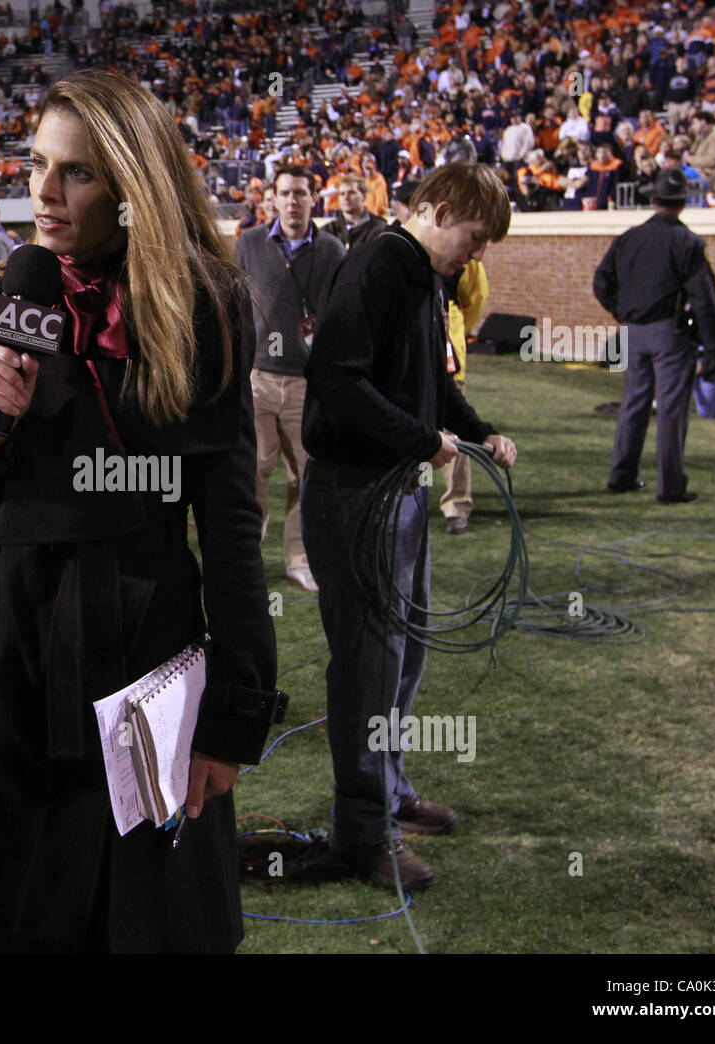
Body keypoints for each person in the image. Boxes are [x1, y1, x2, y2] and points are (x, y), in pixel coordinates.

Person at [0, 69, 282, 953]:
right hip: (4, 647)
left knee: (151, 923)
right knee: (1, 918)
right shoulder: (1, 291)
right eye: (36, 163)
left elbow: (233, 525)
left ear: (131, 184)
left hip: (142, 644)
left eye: (75, 173)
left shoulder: (205, 301)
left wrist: (235, 718)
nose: (43, 193)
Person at [301, 162, 517, 892]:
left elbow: (431, 382)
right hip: (356, 495)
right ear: (439, 207)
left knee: (401, 654)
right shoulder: (381, 263)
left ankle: (387, 794)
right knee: (368, 665)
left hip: (393, 492)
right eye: (476, 235)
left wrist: (479, 433)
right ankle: (361, 831)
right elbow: (334, 374)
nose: (478, 253)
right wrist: (418, 439)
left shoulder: (423, 275)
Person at [235, 164, 346, 592]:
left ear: (313, 198)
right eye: (286, 193)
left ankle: (299, 557)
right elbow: (234, 304)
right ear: (274, 199)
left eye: (301, 193)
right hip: (259, 377)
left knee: (305, 474)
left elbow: (339, 315)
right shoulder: (247, 244)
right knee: (257, 468)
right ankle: (248, 555)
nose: (293, 201)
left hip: (306, 383)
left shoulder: (333, 249)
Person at [596, 167, 715, 504]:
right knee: (672, 411)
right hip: (669, 334)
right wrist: (714, 343)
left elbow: (601, 282)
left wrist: (623, 312)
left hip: (633, 332)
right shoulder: (687, 241)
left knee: (633, 405)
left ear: (653, 199)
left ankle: (622, 475)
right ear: (683, 202)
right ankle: (671, 487)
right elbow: (704, 298)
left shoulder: (629, 238)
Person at [439, 256, 490, 534]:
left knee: (455, 431)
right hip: (407, 358)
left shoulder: (460, 253)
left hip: (447, 355)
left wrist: (456, 328)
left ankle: (456, 505)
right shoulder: (393, 240)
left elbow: (476, 297)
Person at [322, 174, 387, 249]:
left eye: (351, 193)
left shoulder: (380, 227)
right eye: (342, 194)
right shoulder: (328, 231)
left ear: (364, 196)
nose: (346, 198)